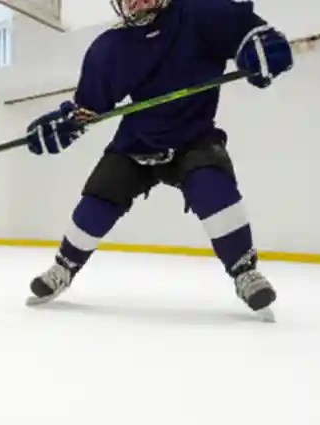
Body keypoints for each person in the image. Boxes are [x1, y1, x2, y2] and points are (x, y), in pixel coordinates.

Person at [24, 0, 294, 317]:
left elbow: (245, 29)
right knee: (97, 200)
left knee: (214, 191)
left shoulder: (199, 15)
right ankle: (64, 267)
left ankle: (244, 271)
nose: (137, 1)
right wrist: (64, 125)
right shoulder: (110, 47)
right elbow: (88, 107)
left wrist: (261, 45)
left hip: (194, 136)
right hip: (137, 141)